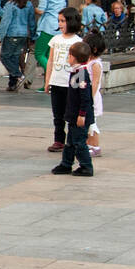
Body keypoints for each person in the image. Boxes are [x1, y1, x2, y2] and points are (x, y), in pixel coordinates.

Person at [51, 41, 95, 177]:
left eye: (69, 56)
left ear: (73, 57)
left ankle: (86, 166)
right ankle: (66, 163)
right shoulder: (76, 72)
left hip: (80, 116)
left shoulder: (81, 74)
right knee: (70, 142)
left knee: (79, 142)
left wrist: (82, 114)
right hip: (73, 114)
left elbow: (85, 97)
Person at [44, 7, 83, 153]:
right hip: (56, 81)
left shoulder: (78, 41)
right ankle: (59, 140)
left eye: (63, 21)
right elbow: (51, 61)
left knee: (71, 113)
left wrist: (79, 85)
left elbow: (80, 65)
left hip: (71, 83)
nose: (60, 24)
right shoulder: (55, 39)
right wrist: (47, 81)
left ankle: (72, 140)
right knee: (57, 114)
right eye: (59, 21)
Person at [0, 0, 35, 91]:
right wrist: (32, 35)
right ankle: (12, 84)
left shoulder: (10, 5)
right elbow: (31, 22)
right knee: (14, 58)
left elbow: (5, 22)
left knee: (5, 57)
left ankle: (18, 75)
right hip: (23, 35)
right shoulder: (28, 5)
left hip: (11, 34)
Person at [33, 0, 67, 72]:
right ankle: (47, 84)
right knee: (49, 55)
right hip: (58, 25)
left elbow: (41, 10)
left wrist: (33, 8)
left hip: (47, 26)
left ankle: (51, 74)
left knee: (39, 53)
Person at [84, 32, 105, 156]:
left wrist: (89, 98)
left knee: (92, 123)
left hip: (92, 97)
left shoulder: (95, 64)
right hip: (86, 95)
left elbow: (95, 82)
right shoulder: (87, 62)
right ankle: (88, 143)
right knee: (88, 123)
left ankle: (95, 145)